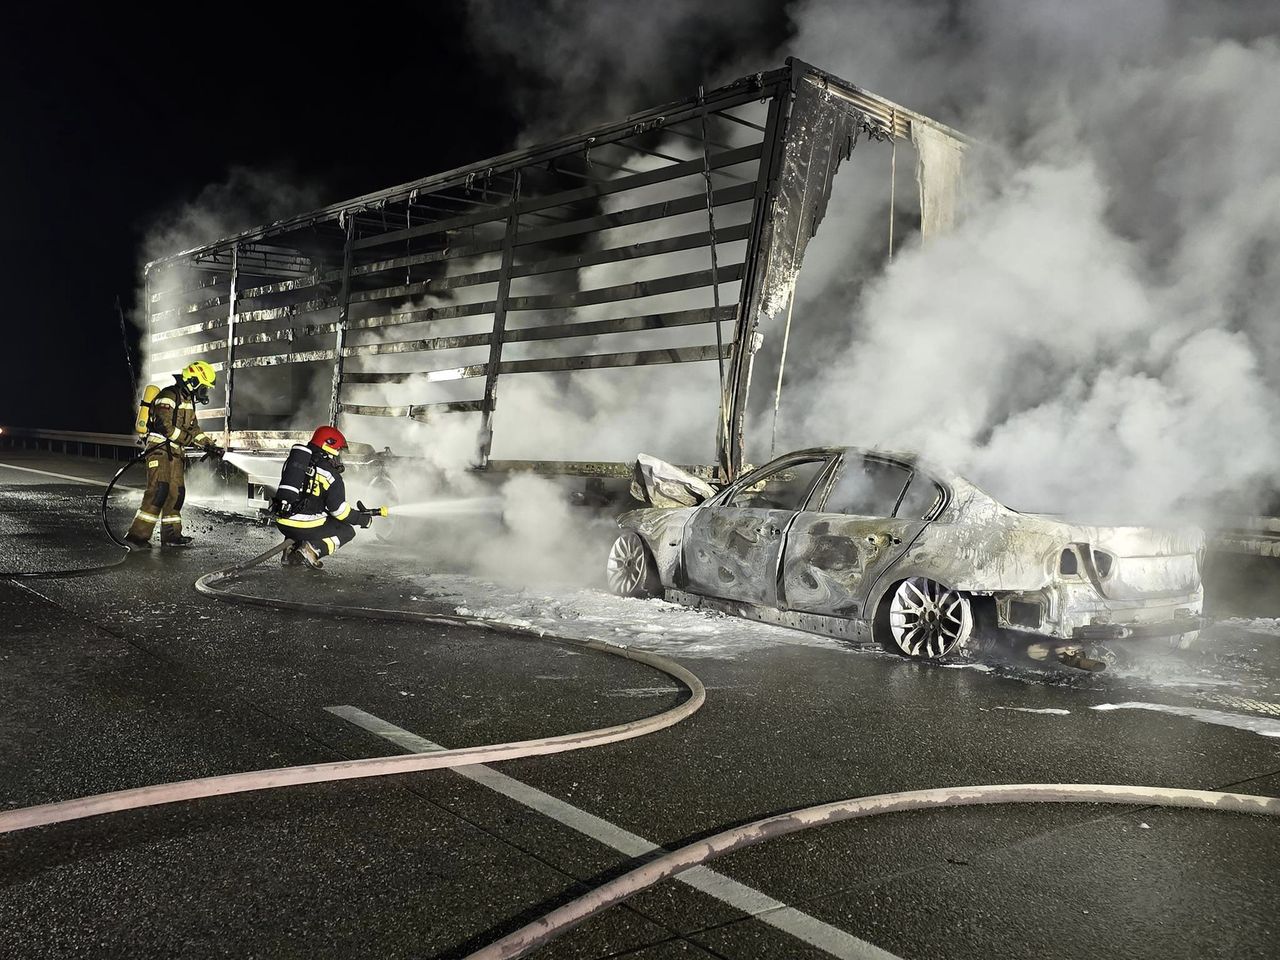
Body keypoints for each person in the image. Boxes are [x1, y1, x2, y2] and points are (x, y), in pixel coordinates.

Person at [126, 360, 222, 548]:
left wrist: (210, 445)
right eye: (203, 386)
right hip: (159, 450)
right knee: (158, 491)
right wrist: (189, 440)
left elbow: (194, 430)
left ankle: (171, 536)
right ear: (193, 381)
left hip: (176, 453)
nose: (204, 391)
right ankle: (137, 536)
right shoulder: (168, 396)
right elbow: (165, 427)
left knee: (176, 493)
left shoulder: (188, 402)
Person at [270, 425, 377, 568]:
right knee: (346, 531)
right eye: (338, 450)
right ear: (328, 445)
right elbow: (339, 511)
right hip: (302, 526)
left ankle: (290, 554)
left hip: (282, 522)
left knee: (312, 515)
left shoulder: (296, 461)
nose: (338, 455)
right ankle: (312, 549)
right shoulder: (330, 473)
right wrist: (361, 519)